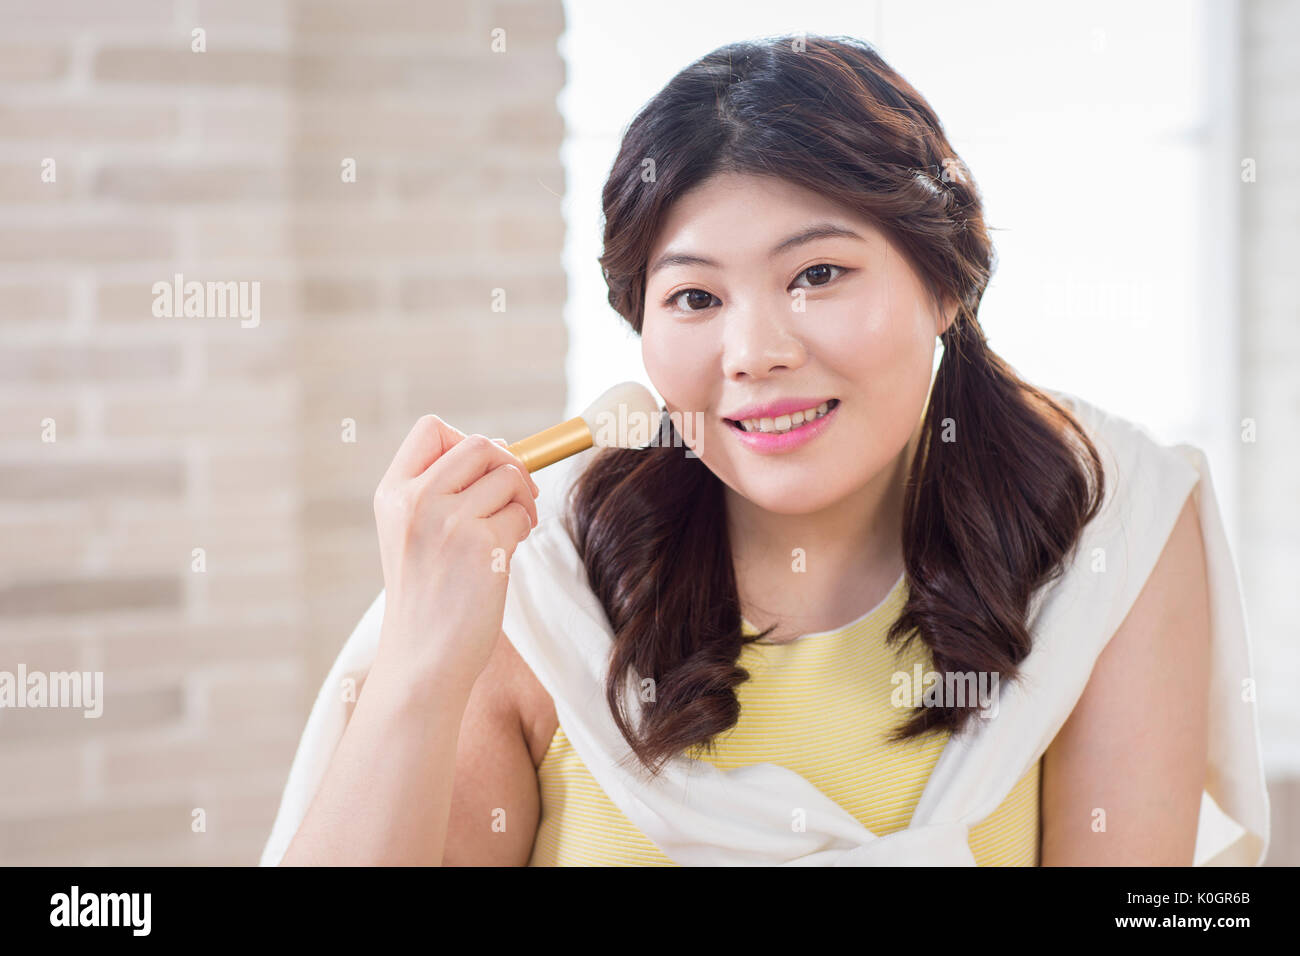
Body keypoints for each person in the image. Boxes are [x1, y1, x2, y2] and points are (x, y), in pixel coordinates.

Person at [267, 34, 1266, 867]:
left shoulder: (1110, 521)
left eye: (818, 272)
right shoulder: (535, 581)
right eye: (695, 296)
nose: (754, 353)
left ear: (946, 282)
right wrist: (418, 658)